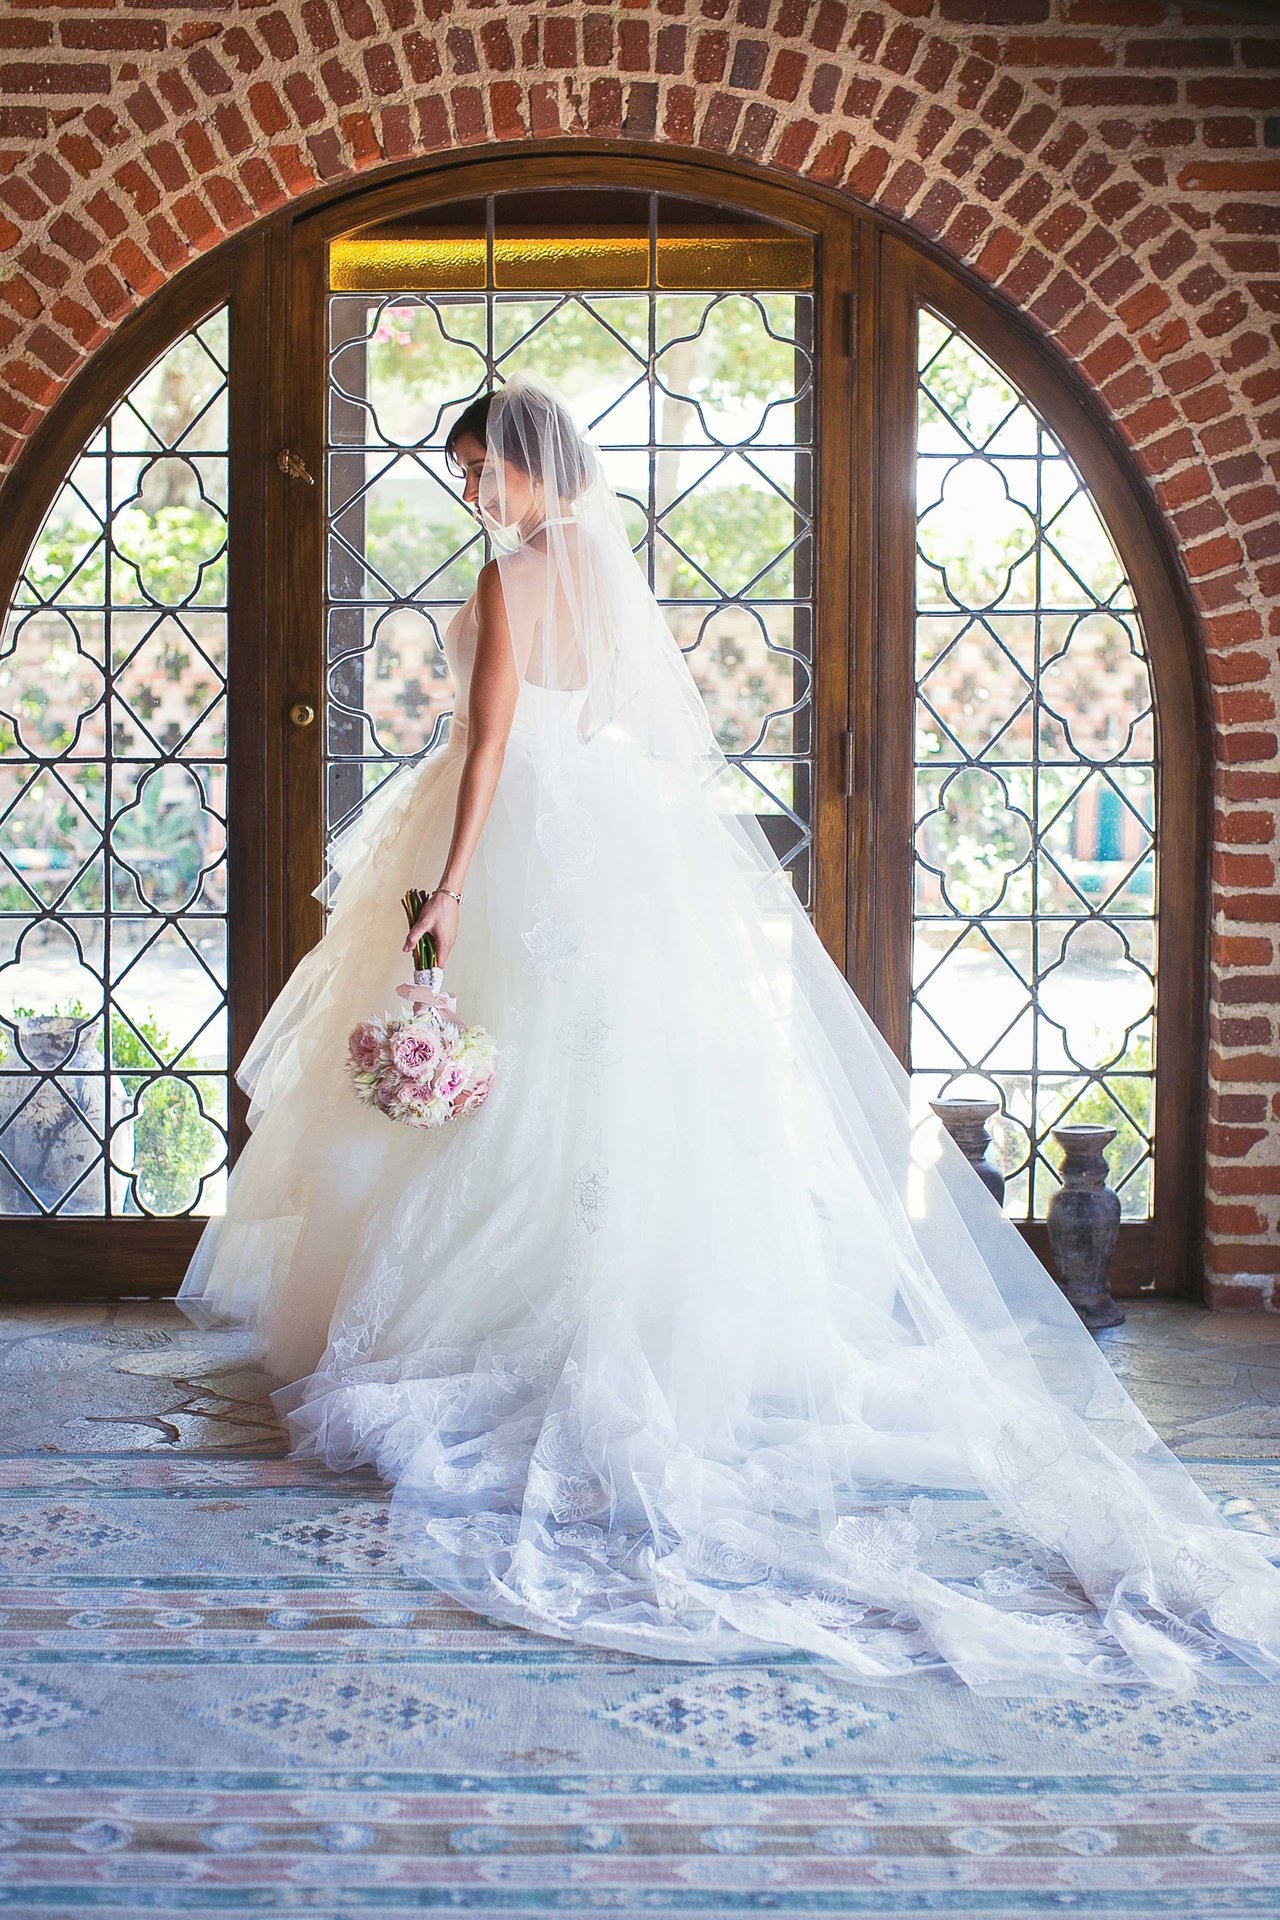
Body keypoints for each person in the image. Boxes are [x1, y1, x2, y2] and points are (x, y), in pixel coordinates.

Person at [177, 371, 1280, 1694]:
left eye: (484, 471)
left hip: (522, 839)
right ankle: (588, 1304)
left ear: (532, 468)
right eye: (463, 474)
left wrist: (453, 886)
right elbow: (642, 737)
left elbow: (483, 754)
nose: (473, 495)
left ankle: (493, 1320)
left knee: (522, 1086)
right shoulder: (606, 573)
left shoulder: (508, 585)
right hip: (616, 846)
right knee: (602, 1091)